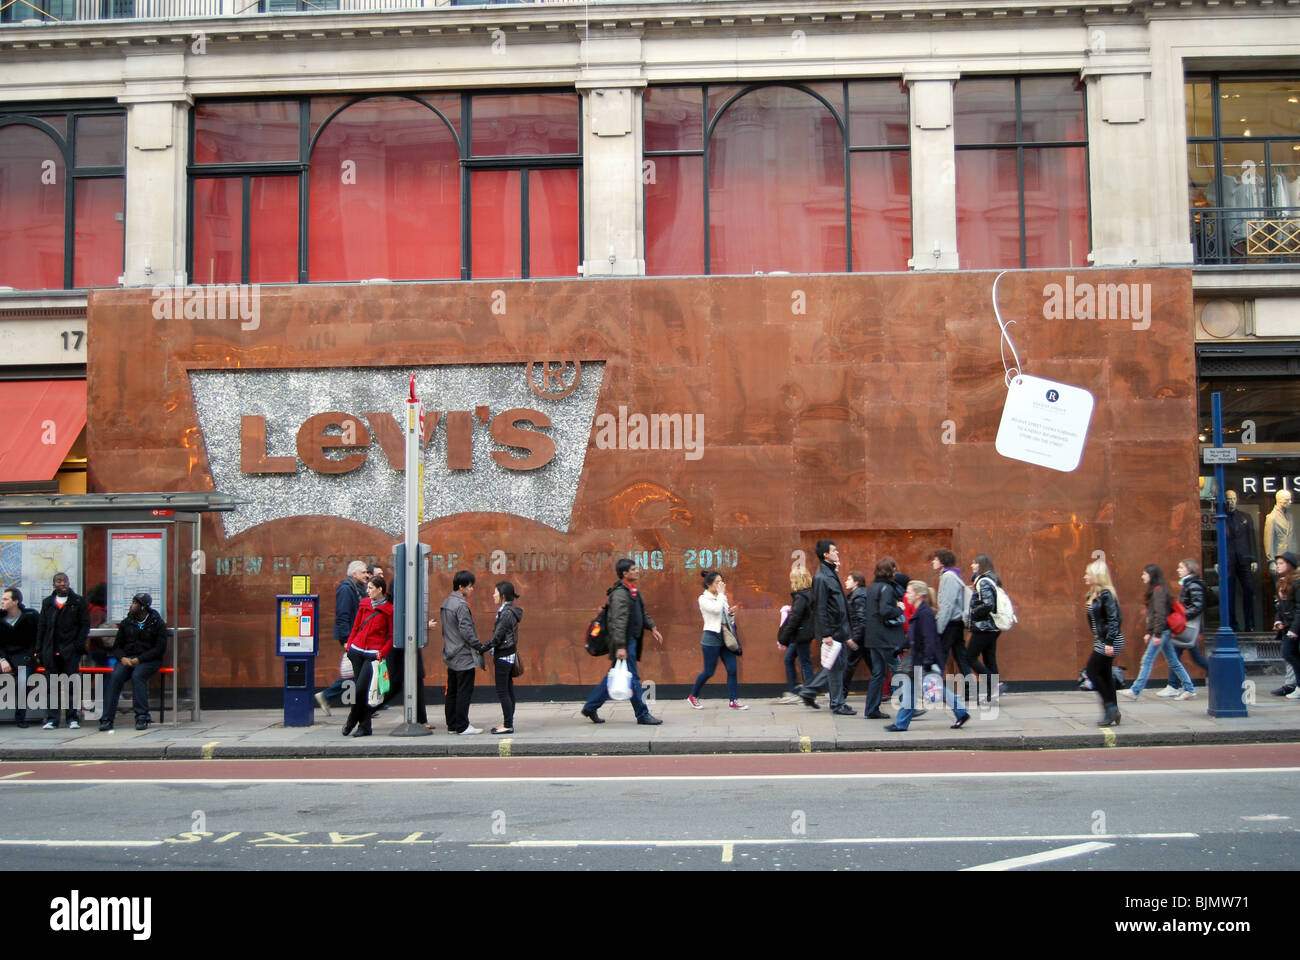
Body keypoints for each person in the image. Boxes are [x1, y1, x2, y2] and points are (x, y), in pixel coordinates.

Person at [581, 558, 664, 725]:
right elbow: (617, 622)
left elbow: (641, 612)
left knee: (615, 676)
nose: (637, 571)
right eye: (633, 569)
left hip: (630, 640)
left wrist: (652, 627)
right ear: (624, 574)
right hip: (624, 642)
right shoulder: (620, 594)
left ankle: (591, 706)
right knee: (632, 678)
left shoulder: (632, 590)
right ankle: (642, 714)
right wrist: (620, 646)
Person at [885, 580, 970, 731]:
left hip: (925, 661)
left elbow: (930, 639)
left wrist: (929, 661)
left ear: (918, 595)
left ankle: (961, 712)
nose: (907, 595)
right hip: (919, 660)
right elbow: (914, 638)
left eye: (910, 592)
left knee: (936, 690)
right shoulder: (920, 612)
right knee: (909, 691)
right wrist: (900, 648)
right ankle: (901, 724)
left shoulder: (925, 614)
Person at [1122, 565, 1195, 701]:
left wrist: (1156, 634)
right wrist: (1150, 632)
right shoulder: (1158, 591)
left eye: (1144, 574)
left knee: (1147, 660)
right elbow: (1155, 615)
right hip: (1163, 631)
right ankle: (1189, 688)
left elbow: (1160, 614)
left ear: (1151, 575)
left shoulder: (1158, 591)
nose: (1142, 576)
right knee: (1173, 661)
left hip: (1162, 632)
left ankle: (1135, 690)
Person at [793, 540, 851, 711]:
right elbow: (820, 607)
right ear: (826, 554)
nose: (837, 553)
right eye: (834, 551)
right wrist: (826, 633)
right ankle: (821, 696)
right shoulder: (821, 577)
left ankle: (828, 699)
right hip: (832, 630)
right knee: (835, 666)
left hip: (838, 629)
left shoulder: (831, 574)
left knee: (836, 666)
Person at [99, 593, 167, 732]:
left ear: (143, 607)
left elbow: (159, 649)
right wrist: (123, 658)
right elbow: (117, 646)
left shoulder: (157, 623)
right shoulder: (127, 622)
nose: (132, 605)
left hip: (148, 660)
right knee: (115, 677)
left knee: (138, 676)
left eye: (135, 603)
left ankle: (142, 717)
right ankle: (107, 719)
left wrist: (140, 659)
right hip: (127, 659)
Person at [36, 572, 90, 730]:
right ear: (54, 585)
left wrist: (77, 645)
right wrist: (39, 651)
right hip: (51, 650)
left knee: (71, 685)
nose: (62, 584)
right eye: (59, 581)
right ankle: (52, 719)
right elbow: (42, 627)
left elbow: (84, 625)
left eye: (65, 581)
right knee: (51, 685)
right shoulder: (47, 603)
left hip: (70, 650)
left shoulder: (78, 601)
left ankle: (72, 718)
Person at [316, 559, 369, 715]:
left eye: (366, 572)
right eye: (363, 572)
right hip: (352, 638)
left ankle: (360, 705)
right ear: (353, 574)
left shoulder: (358, 588)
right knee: (357, 672)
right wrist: (346, 639)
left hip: (358, 637)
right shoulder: (347, 589)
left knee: (358, 672)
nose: (367, 575)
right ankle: (327, 695)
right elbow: (343, 615)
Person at [687, 570, 746, 710]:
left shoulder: (721, 597)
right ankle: (693, 696)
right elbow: (715, 610)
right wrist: (721, 595)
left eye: (721, 581)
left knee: (732, 669)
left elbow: (723, 615)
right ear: (709, 584)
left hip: (726, 637)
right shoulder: (703, 598)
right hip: (711, 637)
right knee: (709, 671)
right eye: (717, 582)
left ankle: (733, 700)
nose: (721, 584)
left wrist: (730, 613)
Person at [342, 575, 393, 737]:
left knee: (361, 689)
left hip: (373, 655)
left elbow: (392, 637)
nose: (367, 591)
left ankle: (352, 719)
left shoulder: (389, 610)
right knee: (360, 691)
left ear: (380, 590)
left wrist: (382, 653)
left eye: (371, 588)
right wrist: (349, 646)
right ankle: (365, 727)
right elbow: (356, 626)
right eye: (368, 588)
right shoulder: (364, 604)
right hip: (356, 651)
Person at [441, 570, 484, 735]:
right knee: (464, 691)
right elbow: (466, 631)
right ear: (461, 587)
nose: (472, 589)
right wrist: (478, 645)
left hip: (450, 652)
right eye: (470, 586)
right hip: (463, 654)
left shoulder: (446, 603)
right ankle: (463, 725)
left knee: (452, 690)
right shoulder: (461, 605)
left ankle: (452, 724)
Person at [862, 557, 905, 720]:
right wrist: (899, 609)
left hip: (873, 637)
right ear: (890, 571)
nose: (896, 573)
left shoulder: (872, 587)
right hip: (886, 637)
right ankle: (908, 707)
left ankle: (871, 709)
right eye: (894, 570)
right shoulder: (886, 588)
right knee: (898, 671)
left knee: (878, 673)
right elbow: (885, 610)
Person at [1083, 559, 1125, 726]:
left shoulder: (1106, 594)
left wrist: (1109, 642)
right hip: (1103, 640)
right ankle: (1113, 710)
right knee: (1106, 675)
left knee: (1092, 672)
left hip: (1110, 640)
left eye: (1088, 574)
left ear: (1096, 576)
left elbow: (1114, 619)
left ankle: (1110, 707)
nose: (1085, 576)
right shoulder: (1093, 594)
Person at [1160, 558, 1208, 697]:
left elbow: (1197, 606)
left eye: (1181, 567)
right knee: (1183, 656)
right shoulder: (1189, 584)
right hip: (1187, 627)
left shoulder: (1193, 585)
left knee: (1178, 655)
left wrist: (1180, 615)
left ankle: (1173, 686)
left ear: (1189, 569)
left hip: (1187, 627)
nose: (1178, 570)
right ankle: (1173, 685)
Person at [483, 581, 523, 734]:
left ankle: (507, 724)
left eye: (495, 592)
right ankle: (508, 722)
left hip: (503, 656)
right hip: (508, 655)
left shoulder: (505, 613)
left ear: (503, 595)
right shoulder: (508, 611)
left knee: (502, 691)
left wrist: (482, 648)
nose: (493, 595)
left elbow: (497, 637)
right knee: (508, 689)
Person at [966, 554, 1005, 699]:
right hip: (993, 627)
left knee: (969, 657)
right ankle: (993, 693)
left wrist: (973, 613)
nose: (972, 566)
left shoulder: (983, 581)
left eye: (974, 563)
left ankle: (994, 684)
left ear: (981, 565)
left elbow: (988, 604)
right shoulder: (993, 579)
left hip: (984, 627)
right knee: (989, 658)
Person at [0, 587, 38, 727]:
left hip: (24, 657)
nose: (2, 602)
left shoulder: (30, 616)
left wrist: (35, 653)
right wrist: (2, 659)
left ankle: (20, 717)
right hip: (4, 657)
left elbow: (38, 637)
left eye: (5, 599)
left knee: (23, 681)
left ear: (15, 602)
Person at [775, 567, 815, 703]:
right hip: (805, 633)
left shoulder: (801, 597)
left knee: (805, 662)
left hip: (801, 634)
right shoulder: (808, 594)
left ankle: (808, 691)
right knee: (792, 659)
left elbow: (795, 620)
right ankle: (797, 690)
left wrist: (783, 638)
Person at [931, 549, 970, 676]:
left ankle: (934, 688)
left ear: (942, 561)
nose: (933, 561)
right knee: (961, 657)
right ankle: (969, 689)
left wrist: (939, 628)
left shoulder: (948, 577)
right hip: (955, 622)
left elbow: (947, 605)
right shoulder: (952, 575)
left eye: (936, 559)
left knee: (941, 655)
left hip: (950, 623)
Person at [1223, 491, 1258, 632]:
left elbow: (1251, 539)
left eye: (1233, 499)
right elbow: (1216, 540)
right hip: (1228, 560)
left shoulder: (1245, 517)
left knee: (1249, 590)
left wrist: (1254, 559)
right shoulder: (1221, 518)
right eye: (1228, 499)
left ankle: (1250, 625)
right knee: (1229, 593)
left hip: (1244, 559)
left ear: (1237, 500)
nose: (1231, 501)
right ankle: (1232, 625)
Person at [837, 571, 870, 714]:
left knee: (849, 666)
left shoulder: (859, 596)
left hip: (860, 639)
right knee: (877, 670)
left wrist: (854, 639)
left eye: (849, 579)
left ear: (856, 582)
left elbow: (861, 620)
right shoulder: (857, 594)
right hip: (864, 638)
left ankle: (840, 699)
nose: (846, 581)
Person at [1272, 552, 1300, 701]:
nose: (1278, 566)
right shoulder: (1281, 582)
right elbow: (1280, 607)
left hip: (1294, 627)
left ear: (1290, 565)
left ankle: (1297, 686)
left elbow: (1298, 608)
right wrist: (1278, 621)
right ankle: (1294, 685)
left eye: (1281, 563)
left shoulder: (1296, 582)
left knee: (1289, 653)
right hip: (1288, 626)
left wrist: (1294, 630)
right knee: (1290, 654)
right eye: (1277, 564)